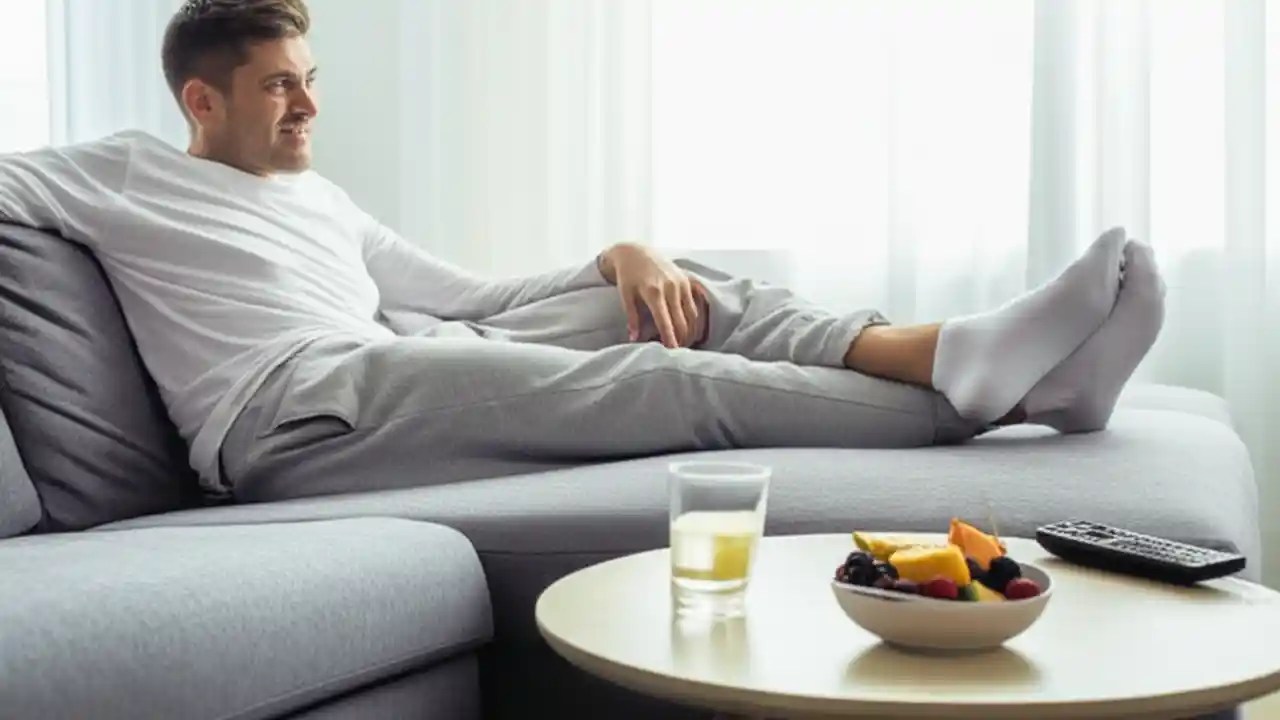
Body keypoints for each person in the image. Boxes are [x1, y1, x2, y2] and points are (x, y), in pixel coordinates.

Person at [0, 0, 1164, 502]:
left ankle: (956, 354)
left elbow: (470, 296)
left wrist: (622, 255)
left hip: (383, 369)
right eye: (277, 88)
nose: (307, 107)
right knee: (654, 381)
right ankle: (981, 403)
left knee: (682, 299)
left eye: (312, 80)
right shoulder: (121, 174)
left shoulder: (321, 200)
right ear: (201, 101)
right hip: (287, 422)